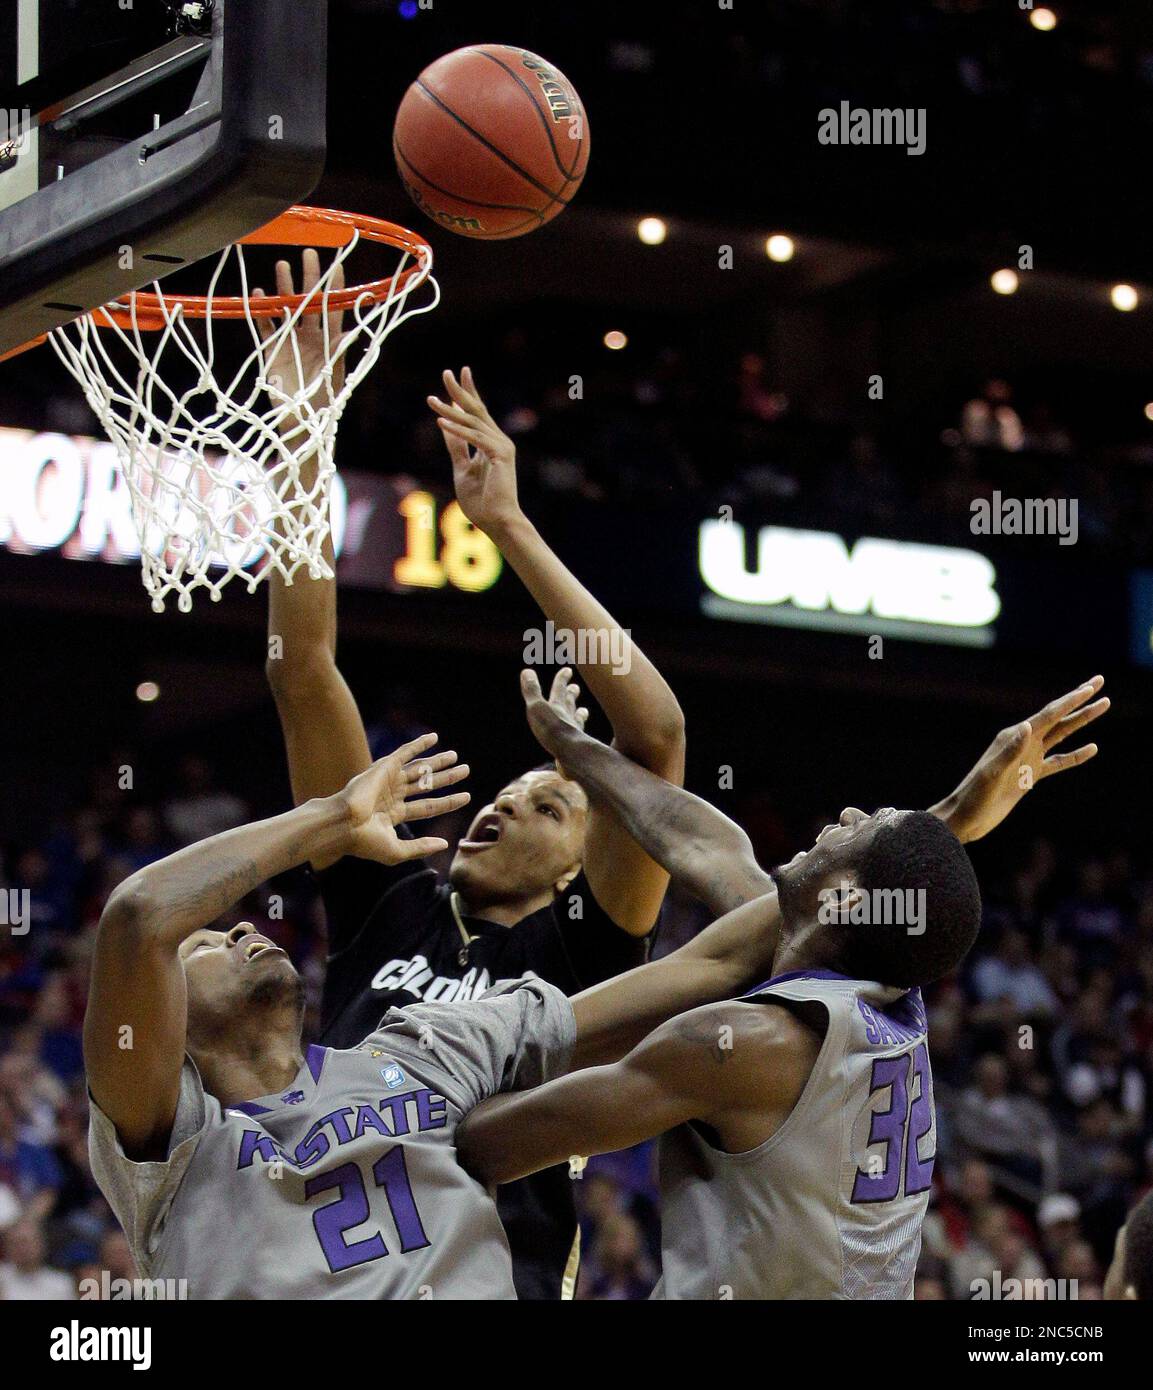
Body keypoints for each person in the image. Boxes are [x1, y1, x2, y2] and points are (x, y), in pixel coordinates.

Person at [260, 253, 686, 1298]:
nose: (507, 799)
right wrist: (301, 435)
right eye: (512, 789)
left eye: (547, 805)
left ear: (582, 870)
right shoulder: (386, 900)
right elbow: (305, 672)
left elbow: (658, 735)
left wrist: (508, 525)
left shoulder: (584, 949)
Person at [83, 729, 806, 1299]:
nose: (243, 931)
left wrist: (860, 876)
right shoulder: (168, 1137)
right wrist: (330, 818)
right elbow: (141, 917)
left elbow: (703, 967)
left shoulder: (417, 1050)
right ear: (165, 1022)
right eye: (206, 942)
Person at [456, 673, 1109, 1299]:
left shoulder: (742, 1047)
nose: (847, 811)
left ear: (845, 899)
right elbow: (705, 849)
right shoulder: (875, 985)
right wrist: (572, 749)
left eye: (863, 824)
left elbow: (482, 1144)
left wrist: (413, 1061)